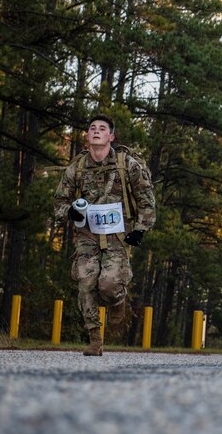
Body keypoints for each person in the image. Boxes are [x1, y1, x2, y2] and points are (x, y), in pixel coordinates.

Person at [54, 115, 156, 356]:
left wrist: (140, 229)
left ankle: (118, 300)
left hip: (118, 236)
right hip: (88, 234)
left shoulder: (127, 165)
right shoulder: (77, 168)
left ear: (111, 136)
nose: (96, 131)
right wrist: (70, 212)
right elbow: (59, 201)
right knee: (86, 282)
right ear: (87, 136)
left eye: (102, 128)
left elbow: (146, 199)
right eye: (92, 128)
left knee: (108, 286)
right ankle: (94, 339)